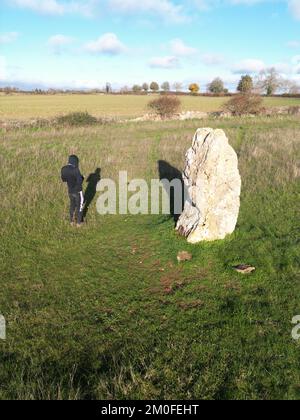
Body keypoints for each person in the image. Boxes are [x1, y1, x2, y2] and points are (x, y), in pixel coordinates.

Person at [61, 155, 84, 227]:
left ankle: (71, 221)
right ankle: (78, 223)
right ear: (75, 161)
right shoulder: (76, 169)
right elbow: (80, 181)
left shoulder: (63, 169)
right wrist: (82, 177)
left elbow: (63, 179)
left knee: (72, 205)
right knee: (80, 205)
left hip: (70, 191)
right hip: (78, 191)